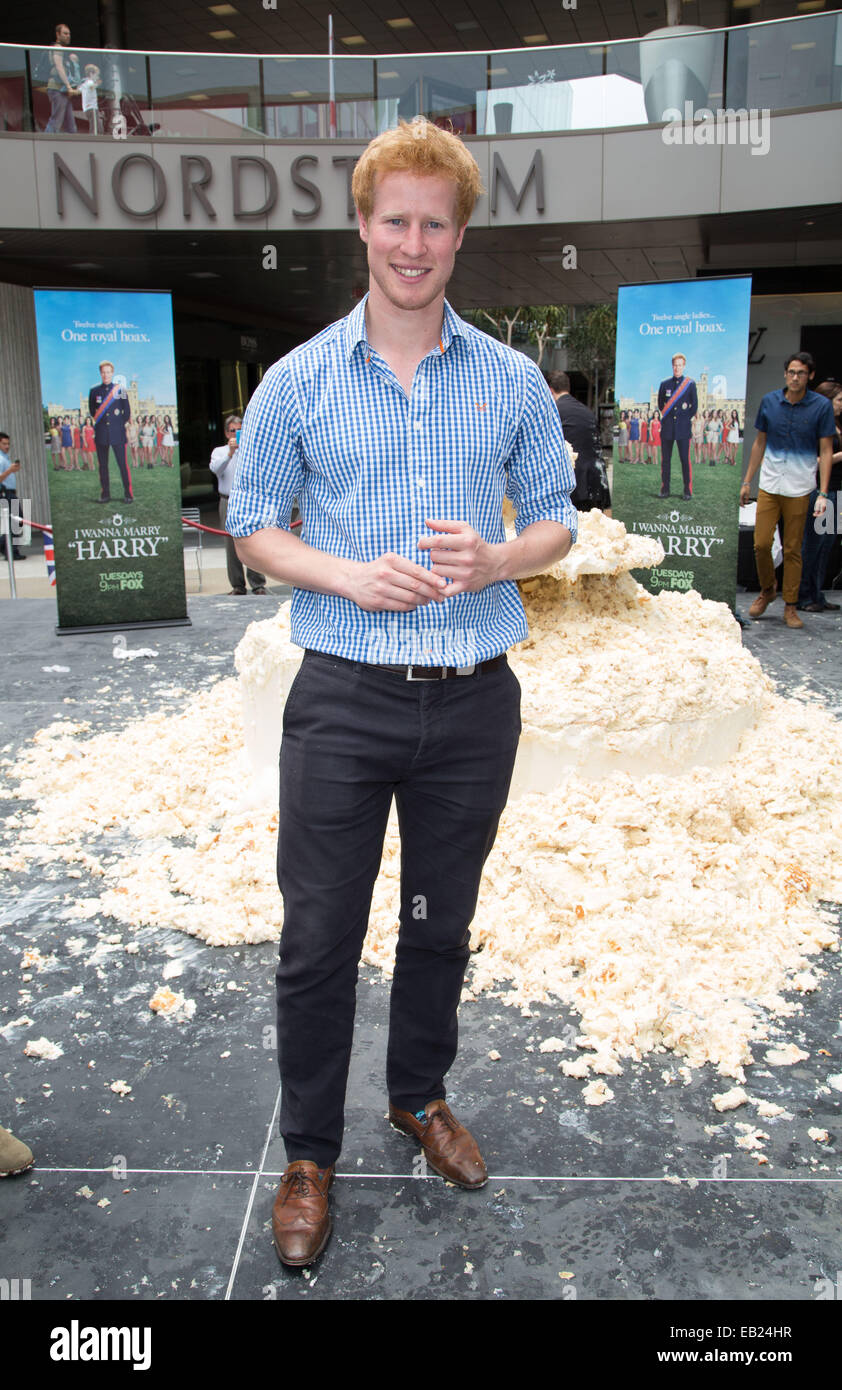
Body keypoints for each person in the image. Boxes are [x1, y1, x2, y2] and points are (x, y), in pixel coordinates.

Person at [227, 118, 576, 1269]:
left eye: (434, 224)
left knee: (438, 924)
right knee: (319, 935)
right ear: (363, 226)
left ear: (459, 235)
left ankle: (416, 1095)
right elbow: (251, 525)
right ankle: (308, 1152)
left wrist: (499, 557)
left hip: (473, 700)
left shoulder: (512, 381)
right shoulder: (299, 382)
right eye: (394, 221)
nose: (412, 243)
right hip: (342, 696)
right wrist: (345, 574)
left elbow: (558, 521)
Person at [741, 351, 835, 630]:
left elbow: (826, 449)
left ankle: (791, 605)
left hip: (800, 486)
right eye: (792, 372)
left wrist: (824, 492)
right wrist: (747, 481)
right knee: (760, 544)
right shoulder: (770, 401)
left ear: (810, 376)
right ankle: (768, 589)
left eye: (801, 373)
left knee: (794, 549)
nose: (795, 377)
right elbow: (759, 443)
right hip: (769, 484)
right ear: (785, 374)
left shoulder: (820, 406)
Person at [797, 380, 842, 613]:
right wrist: (837, 456)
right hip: (820, 491)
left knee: (827, 545)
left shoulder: (835, 425)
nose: (841, 405)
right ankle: (804, 595)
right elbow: (811, 462)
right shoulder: (815, 427)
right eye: (839, 400)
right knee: (814, 544)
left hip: (837, 490)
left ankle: (817, 593)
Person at [211, 415, 267, 595]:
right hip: (227, 499)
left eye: (239, 430)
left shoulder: (251, 450)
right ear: (227, 432)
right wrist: (230, 453)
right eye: (232, 430)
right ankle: (237, 584)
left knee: (254, 540)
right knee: (230, 543)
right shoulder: (219, 451)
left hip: (248, 499)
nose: (236, 434)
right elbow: (216, 470)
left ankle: (257, 583)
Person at [545, 371, 611, 514]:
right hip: (595, 482)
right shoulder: (587, 411)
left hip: (570, 487)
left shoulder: (553, 411)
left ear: (550, 391)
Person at [89, 359, 133, 503]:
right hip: (101, 433)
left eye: (108, 372)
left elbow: (126, 412)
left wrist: (118, 424)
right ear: (100, 374)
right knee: (103, 467)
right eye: (103, 372)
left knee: (122, 465)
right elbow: (92, 411)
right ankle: (105, 494)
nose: (106, 375)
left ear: (112, 373)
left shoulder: (119, 390)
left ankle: (128, 494)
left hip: (117, 433)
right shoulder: (94, 391)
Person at [658, 352, 697, 499]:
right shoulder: (665, 384)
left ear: (684, 366)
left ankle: (687, 490)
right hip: (667, 428)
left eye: (680, 365)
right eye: (675, 365)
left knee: (685, 461)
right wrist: (669, 419)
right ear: (672, 366)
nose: (677, 368)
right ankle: (665, 489)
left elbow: (694, 407)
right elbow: (661, 404)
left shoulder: (690, 385)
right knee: (666, 461)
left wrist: (684, 419)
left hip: (683, 429)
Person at [44, 22, 78, 134]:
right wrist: (68, 86)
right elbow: (59, 67)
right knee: (56, 121)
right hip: (57, 88)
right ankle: (45, 143)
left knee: (70, 124)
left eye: (69, 34)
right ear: (58, 35)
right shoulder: (57, 48)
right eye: (65, 33)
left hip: (61, 89)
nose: (68, 36)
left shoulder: (61, 49)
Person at [0, 432, 26, 561]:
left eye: (8, 443)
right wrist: (10, 470)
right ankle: (10, 549)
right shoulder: (0, 459)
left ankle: (7, 547)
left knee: (15, 521)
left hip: (10, 493)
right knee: (16, 520)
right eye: (4, 443)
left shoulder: (5, 457)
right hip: (6, 493)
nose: (7, 446)